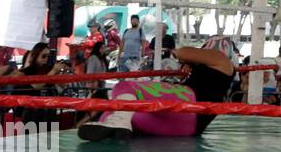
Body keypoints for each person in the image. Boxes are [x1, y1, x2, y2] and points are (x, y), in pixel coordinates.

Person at [79, 45, 235, 141]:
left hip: (188, 100)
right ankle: (118, 122)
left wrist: (175, 52)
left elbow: (183, 52)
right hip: (188, 129)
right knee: (119, 114)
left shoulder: (220, 58)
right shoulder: (220, 73)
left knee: (125, 86)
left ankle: (118, 120)